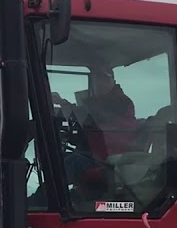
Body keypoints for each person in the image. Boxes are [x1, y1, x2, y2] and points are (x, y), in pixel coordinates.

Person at [54, 62, 140, 197]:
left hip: (111, 155)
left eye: (105, 78)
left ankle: (49, 200)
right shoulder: (98, 102)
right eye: (97, 78)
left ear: (113, 81)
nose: (100, 83)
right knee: (56, 158)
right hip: (98, 150)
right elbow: (91, 127)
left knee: (70, 163)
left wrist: (63, 103)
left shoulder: (119, 102)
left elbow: (91, 117)